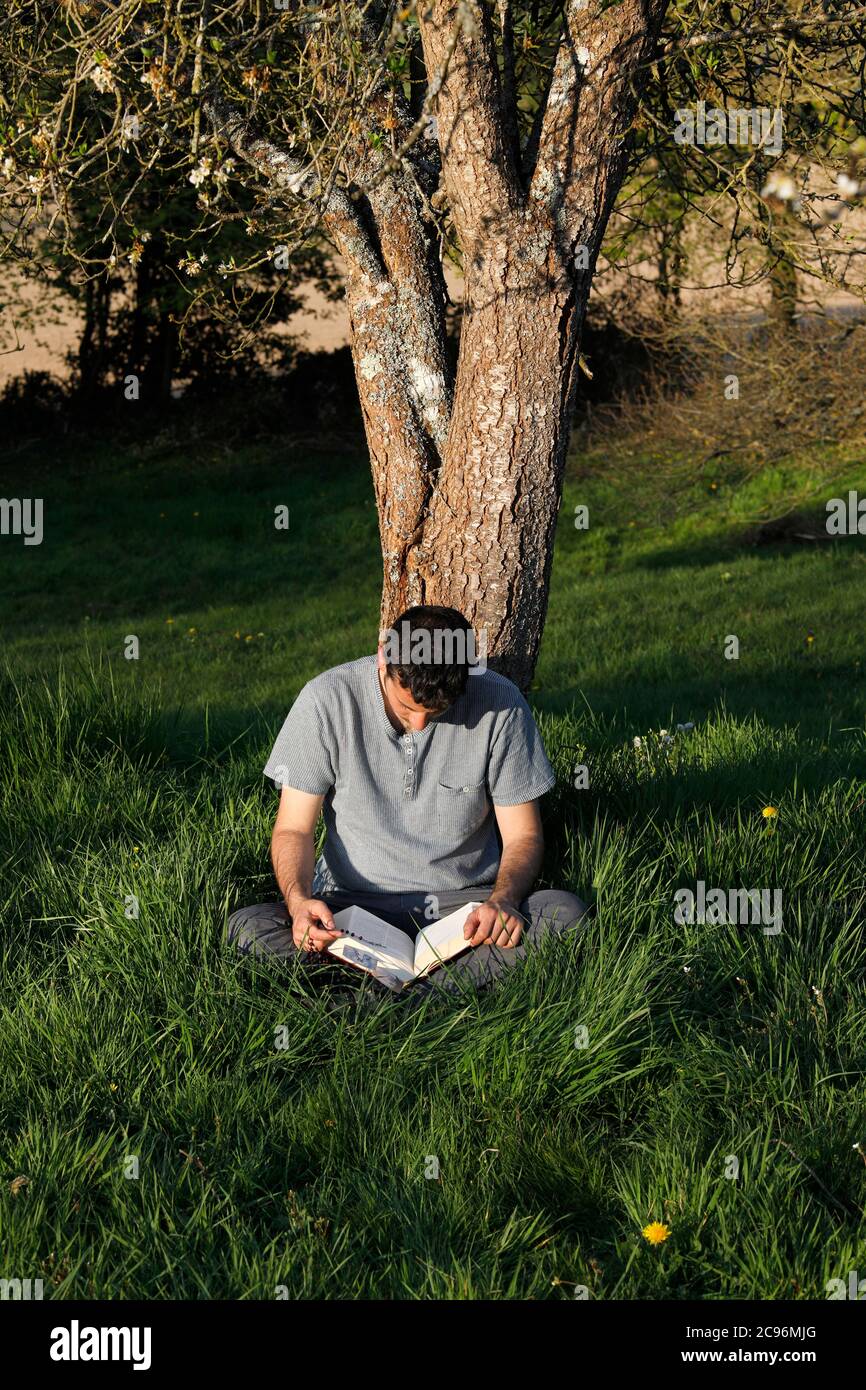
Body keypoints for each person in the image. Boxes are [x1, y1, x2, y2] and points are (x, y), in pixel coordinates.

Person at [226, 605, 587, 998]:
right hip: (349, 909)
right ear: (384, 657)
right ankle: (439, 997)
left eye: (436, 712)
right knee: (247, 927)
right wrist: (298, 903)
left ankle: (371, 998)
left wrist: (503, 901)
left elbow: (524, 837)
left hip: (464, 912)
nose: (419, 725)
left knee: (565, 914)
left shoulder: (502, 703)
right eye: (406, 708)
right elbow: (294, 829)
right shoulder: (326, 700)